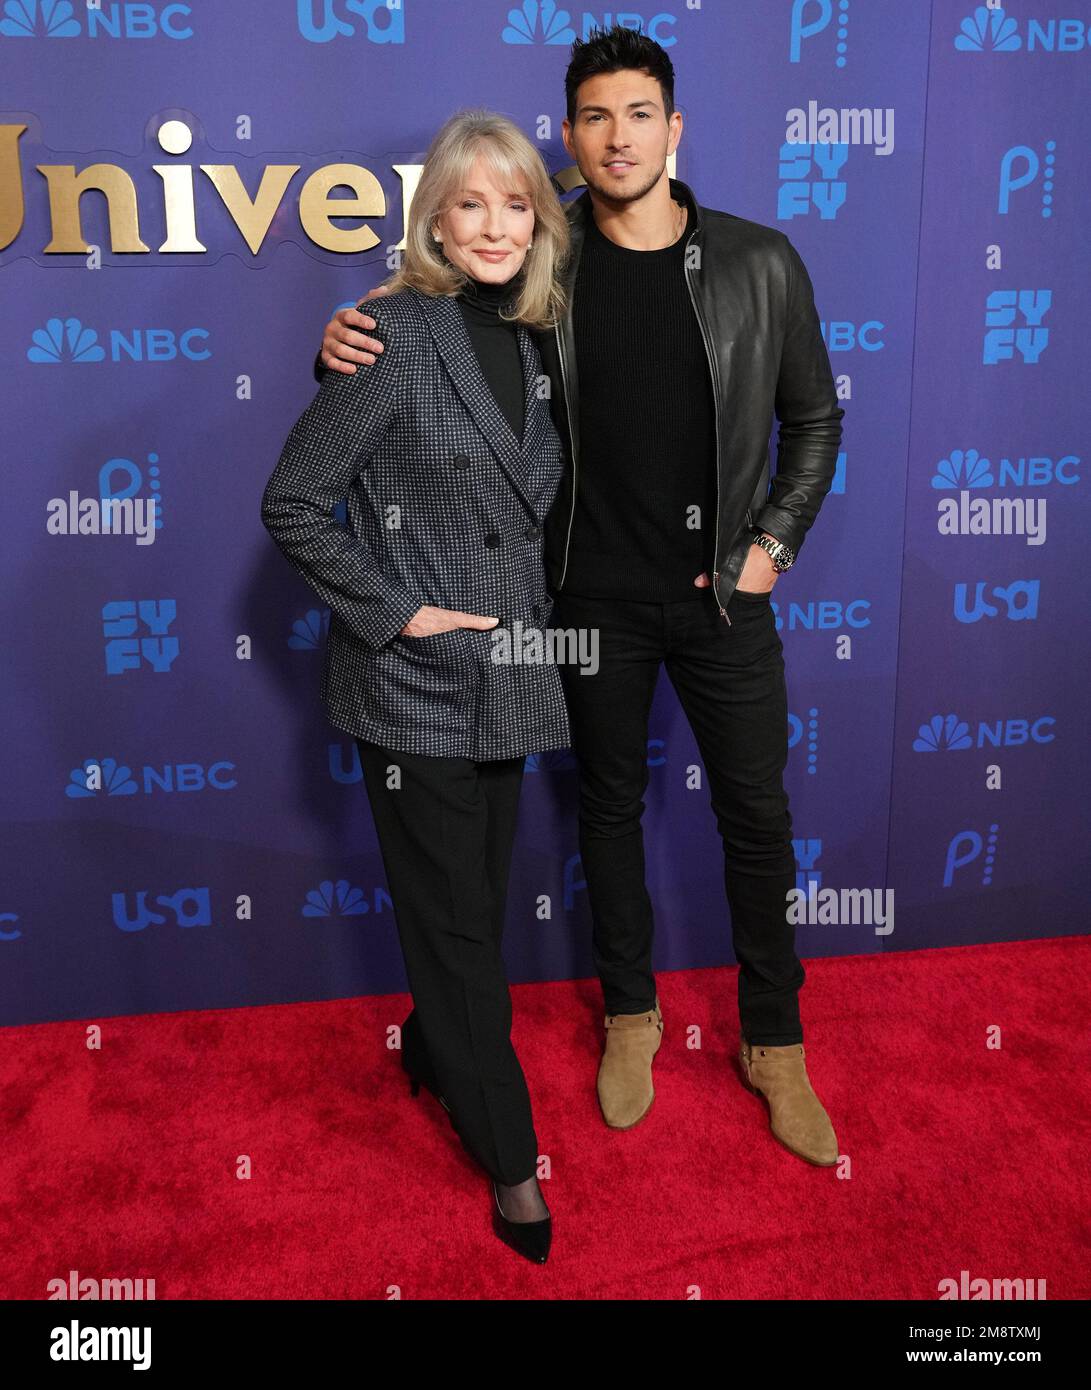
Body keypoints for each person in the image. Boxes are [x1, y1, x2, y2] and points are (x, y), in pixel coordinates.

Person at [314, 27, 846, 1167]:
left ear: (674, 128)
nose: (617, 137)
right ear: (570, 133)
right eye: (595, 117)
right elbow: (436, 347)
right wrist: (338, 347)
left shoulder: (760, 261)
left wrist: (773, 546)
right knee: (605, 814)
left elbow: (815, 420)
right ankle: (630, 1018)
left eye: (638, 114)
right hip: (585, 607)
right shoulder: (545, 272)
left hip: (721, 602)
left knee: (755, 819)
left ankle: (773, 1040)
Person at [261, 108, 573, 1262]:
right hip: (411, 686)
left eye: (516, 203)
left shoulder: (542, 339)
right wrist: (398, 612)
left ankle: (433, 1048)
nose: (494, 225)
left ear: (538, 221)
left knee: (472, 909)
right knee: (457, 931)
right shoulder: (389, 334)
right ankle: (509, 1159)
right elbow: (293, 498)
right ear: (434, 218)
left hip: (513, 674)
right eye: (470, 203)